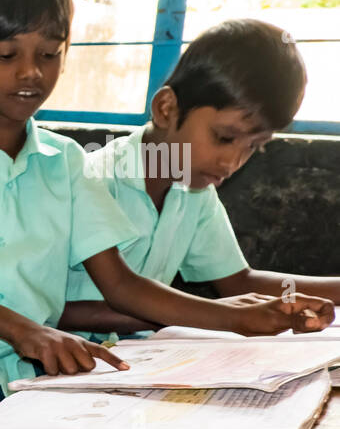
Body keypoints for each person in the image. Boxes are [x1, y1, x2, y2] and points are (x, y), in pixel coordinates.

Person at [0, 0, 331, 429]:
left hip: (18, 369)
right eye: (6, 55)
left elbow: (121, 284)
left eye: (49, 55)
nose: (30, 73)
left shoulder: (66, 163)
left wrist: (230, 318)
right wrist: (25, 329)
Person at [61, 19, 339, 337]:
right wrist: (219, 315)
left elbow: (239, 282)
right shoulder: (92, 181)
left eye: (253, 146)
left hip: (137, 356)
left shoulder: (194, 192)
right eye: (224, 137)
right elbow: (51, 309)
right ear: (166, 109)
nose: (232, 162)